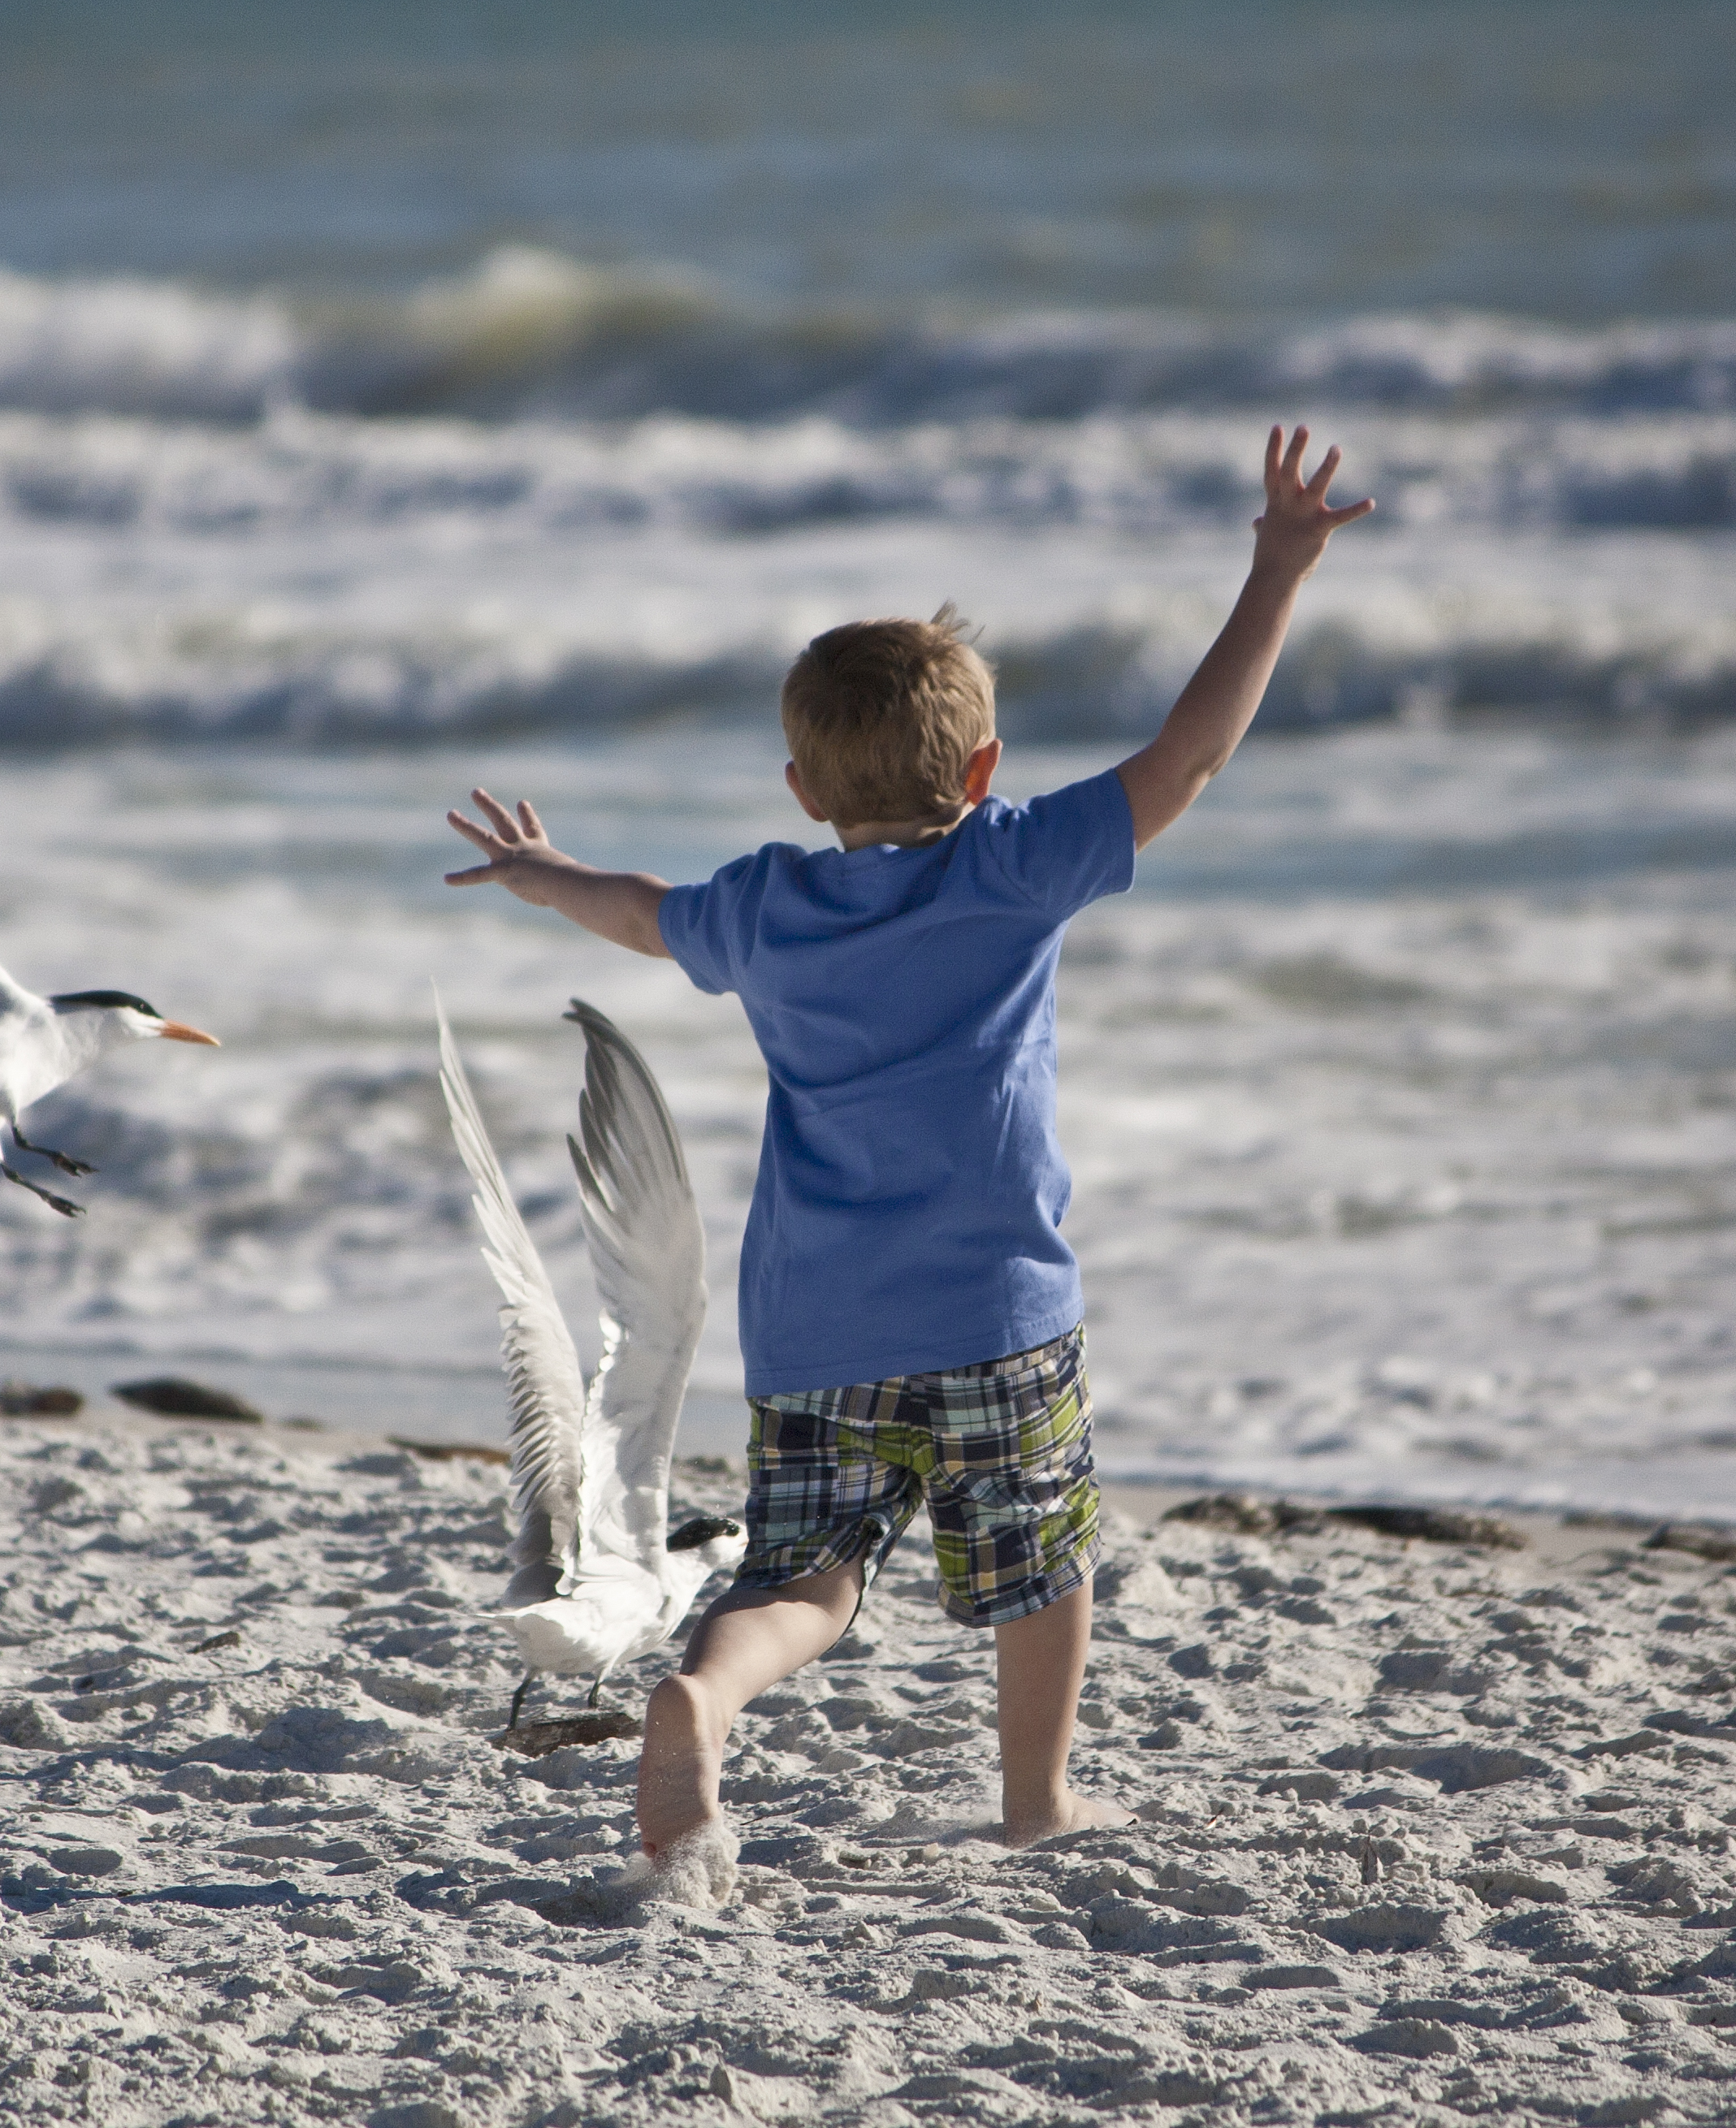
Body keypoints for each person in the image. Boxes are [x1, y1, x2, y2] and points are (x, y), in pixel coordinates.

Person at [443, 425, 1373, 1898]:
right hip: (999, 1312)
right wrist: (1275, 570)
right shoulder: (1013, 866)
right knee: (1041, 1565)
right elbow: (1187, 756)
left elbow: (639, 910)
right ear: (986, 768)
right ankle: (1038, 1801)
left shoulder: (765, 906)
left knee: (804, 1581)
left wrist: (535, 873)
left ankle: (706, 1696)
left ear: (804, 791)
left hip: (818, 1325)